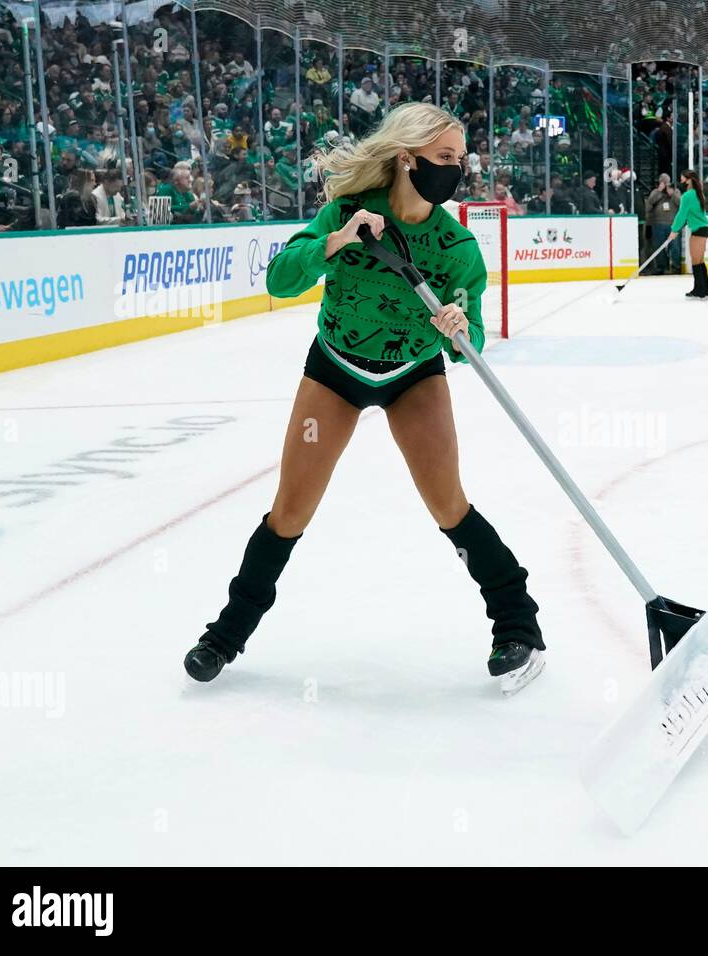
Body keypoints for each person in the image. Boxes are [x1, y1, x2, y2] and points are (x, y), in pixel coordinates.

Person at [184, 103, 545, 694]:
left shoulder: (456, 247)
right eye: (445, 158)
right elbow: (280, 280)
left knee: (448, 504)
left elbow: (472, 340)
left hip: (413, 373)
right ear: (407, 159)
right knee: (290, 511)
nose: (457, 170)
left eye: (460, 159)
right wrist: (335, 241)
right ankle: (225, 634)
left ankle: (518, 627)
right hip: (335, 369)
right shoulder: (348, 214)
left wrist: (460, 328)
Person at [668, 169, 708, 300]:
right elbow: (692, 214)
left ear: (689, 179)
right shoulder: (698, 194)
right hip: (702, 229)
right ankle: (704, 289)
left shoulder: (688, 196)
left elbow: (681, 215)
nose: (681, 180)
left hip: (698, 230)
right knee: (700, 260)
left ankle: (700, 291)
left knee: (696, 261)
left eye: (682, 178)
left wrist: (674, 230)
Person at [645, 173, 680, 274]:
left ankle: (676, 266)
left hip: (673, 224)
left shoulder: (675, 191)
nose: (665, 184)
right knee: (659, 246)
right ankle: (661, 267)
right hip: (658, 224)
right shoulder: (656, 192)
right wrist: (659, 191)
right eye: (663, 182)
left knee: (674, 246)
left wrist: (672, 193)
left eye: (667, 182)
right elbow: (650, 202)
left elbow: (681, 203)